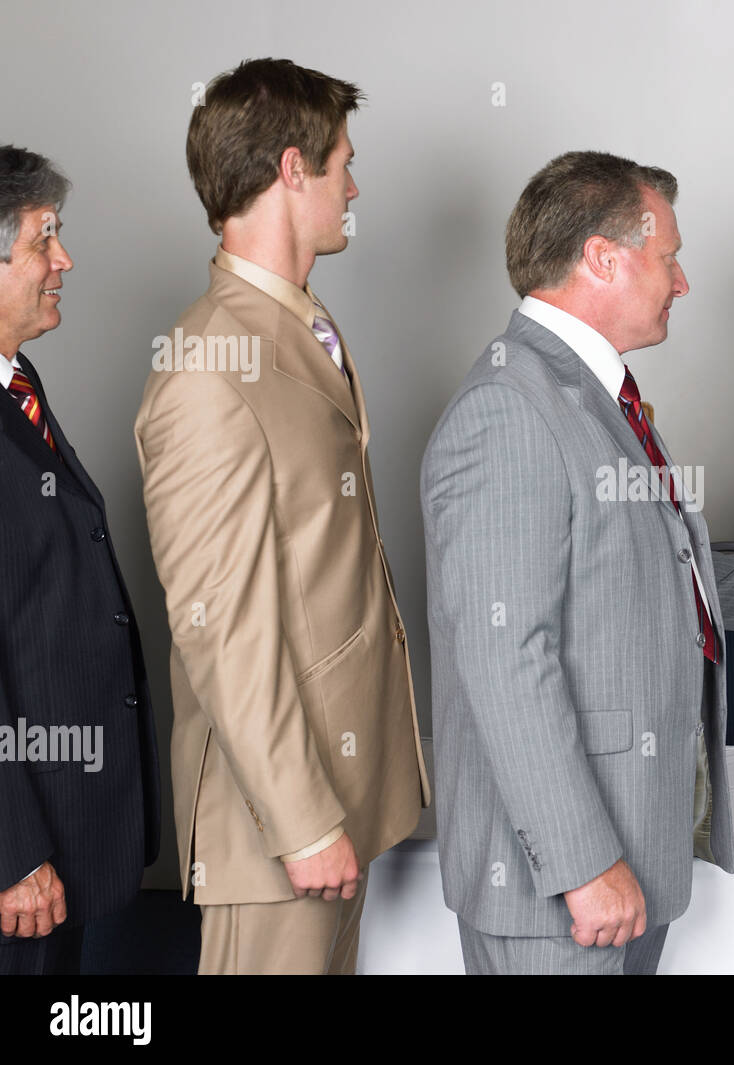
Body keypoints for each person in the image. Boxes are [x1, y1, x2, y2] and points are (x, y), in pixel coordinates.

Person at [421, 150, 734, 975]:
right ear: (604, 257)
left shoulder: (594, 393)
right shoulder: (508, 410)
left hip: (627, 846)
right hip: (559, 885)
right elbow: (502, 658)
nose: (684, 280)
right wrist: (584, 864)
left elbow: (627, 572)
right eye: (668, 256)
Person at [134, 58, 428, 975]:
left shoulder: (297, 324)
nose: (355, 184)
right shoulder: (205, 369)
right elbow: (223, 633)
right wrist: (303, 823)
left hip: (338, 791)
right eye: (343, 161)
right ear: (292, 169)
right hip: (274, 827)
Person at [0, 146, 160, 975]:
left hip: (65, 836)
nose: (64, 259)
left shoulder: (18, 382)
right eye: (42, 239)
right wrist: (14, 851)